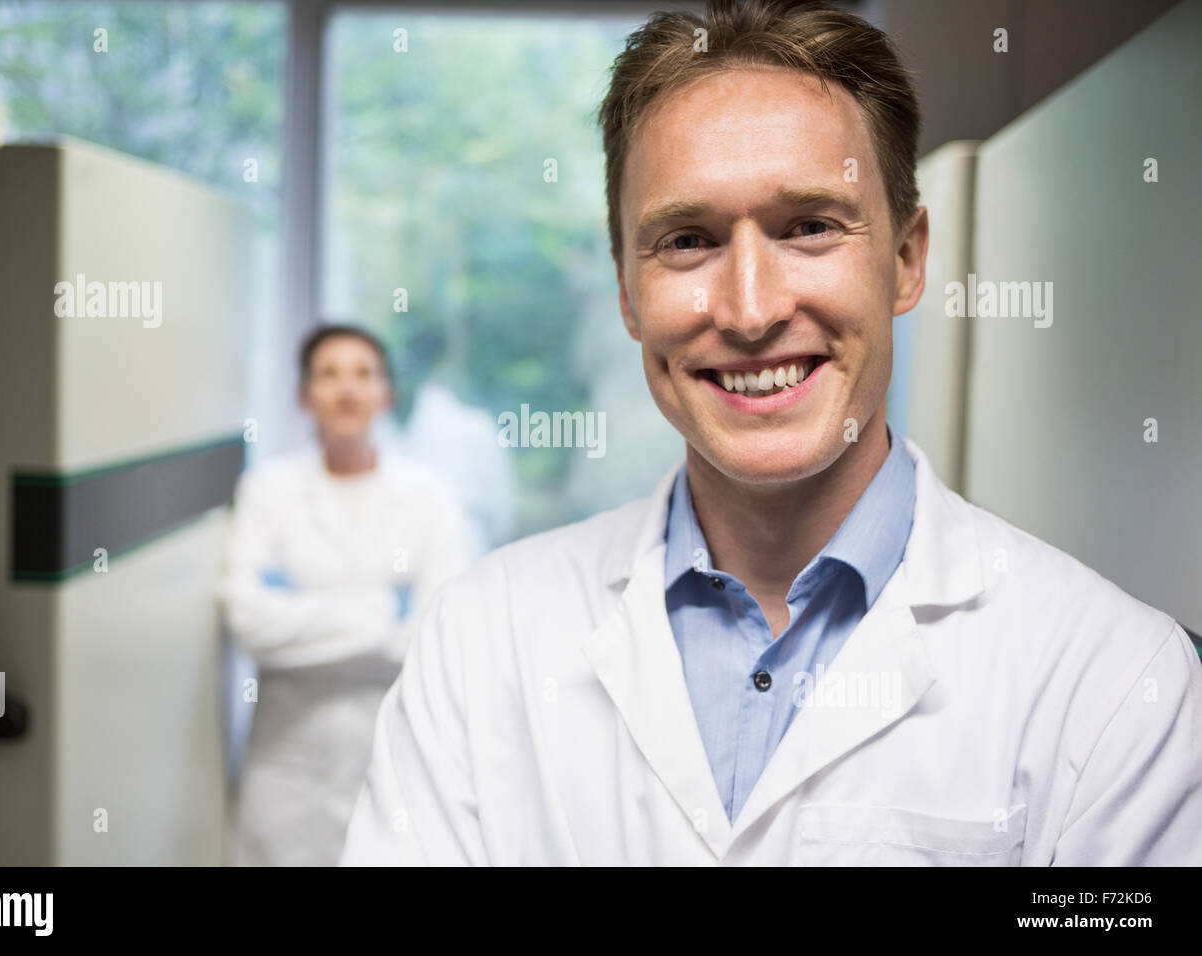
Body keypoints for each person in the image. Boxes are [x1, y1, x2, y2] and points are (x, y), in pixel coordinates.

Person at [340, 0, 1202, 865]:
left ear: (906, 258)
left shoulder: (1119, 682)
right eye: (688, 240)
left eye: (811, 227)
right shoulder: (480, 644)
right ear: (629, 293)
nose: (751, 311)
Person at [219, 324, 469, 865]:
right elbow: (247, 621)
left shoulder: (428, 498)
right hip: (285, 764)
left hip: (391, 754)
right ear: (303, 395)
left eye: (363, 374)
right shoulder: (267, 490)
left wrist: (299, 615)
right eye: (328, 375)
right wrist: (385, 608)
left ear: (387, 393)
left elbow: (431, 635)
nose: (347, 390)